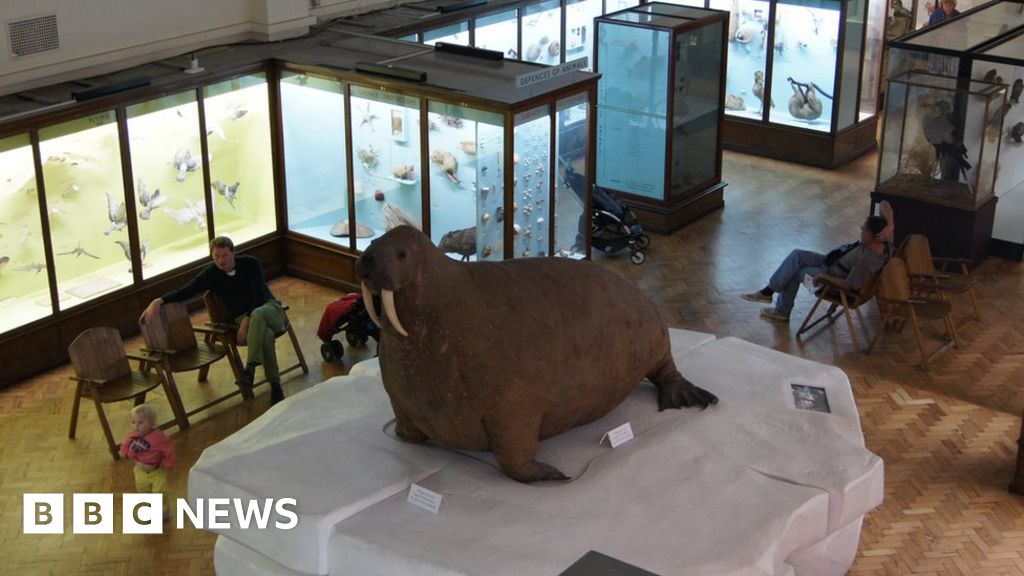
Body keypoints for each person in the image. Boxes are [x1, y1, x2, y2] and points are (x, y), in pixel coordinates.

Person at [140, 236, 287, 403]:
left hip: (269, 309)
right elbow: (185, 291)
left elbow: (259, 296)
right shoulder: (211, 274)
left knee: (258, 313)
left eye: (225, 255)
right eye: (216, 256)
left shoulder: (250, 263)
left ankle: (250, 368)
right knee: (266, 336)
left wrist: (246, 322)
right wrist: (160, 300)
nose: (221, 260)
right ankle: (275, 386)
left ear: (233, 252)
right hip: (246, 320)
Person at [741, 201, 895, 322]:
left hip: (831, 282)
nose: (861, 230)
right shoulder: (886, 242)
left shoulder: (868, 261)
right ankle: (768, 291)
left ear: (873, 236)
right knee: (797, 255)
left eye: (864, 229)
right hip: (830, 262)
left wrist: (824, 277)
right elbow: (884, 204)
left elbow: (849, 285)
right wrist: (890, 225)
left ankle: (782, 311)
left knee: (796, 273)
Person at [121, 404, 175, 519]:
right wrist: (125, 452)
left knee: (160, 492)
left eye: (140, 423)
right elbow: (125, 443)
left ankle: (164, 512)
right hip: (140, 471)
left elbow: (168, 449)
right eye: (133, 422)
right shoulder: (133, 435)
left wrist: (168, 463)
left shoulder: (159, 437)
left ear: (152, 423)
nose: (136, 426)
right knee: (143, 491)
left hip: (157, 471)